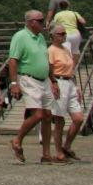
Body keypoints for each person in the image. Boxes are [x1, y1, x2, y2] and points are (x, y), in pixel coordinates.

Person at [7, 9, 59, 163]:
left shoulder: (41, 37)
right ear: (30, 22)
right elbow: (13, 60)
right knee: (38, 114)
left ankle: (46, 154)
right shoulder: (20, 37)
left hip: (43, 80)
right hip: (28, 78)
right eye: (40, 20)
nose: (43, 23)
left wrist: (53, 80)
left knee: (48, 116)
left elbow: (46, 60)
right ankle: (17, 139)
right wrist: (14, 83)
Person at [46, 24, 86, 160]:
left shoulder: (66, 49)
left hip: (69, 81)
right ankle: (59, 152)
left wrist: (76, 87)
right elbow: (49, 69)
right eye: (61, 34)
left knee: (78, 118)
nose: (64, 36)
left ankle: (67, 145)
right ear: (53, 36)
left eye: (65, 34)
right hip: (59, 81)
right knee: (59, 121)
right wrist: (53, 83)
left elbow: (72, 69)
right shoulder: (51, 50)